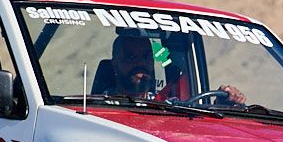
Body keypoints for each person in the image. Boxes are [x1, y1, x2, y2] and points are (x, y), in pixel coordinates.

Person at [93, 32, 247, 107]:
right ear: (114, 64)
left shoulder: (170, 105)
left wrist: (223, 104)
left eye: (147, 56)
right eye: (131, 57)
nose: (141, 63)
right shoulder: (96, 107)